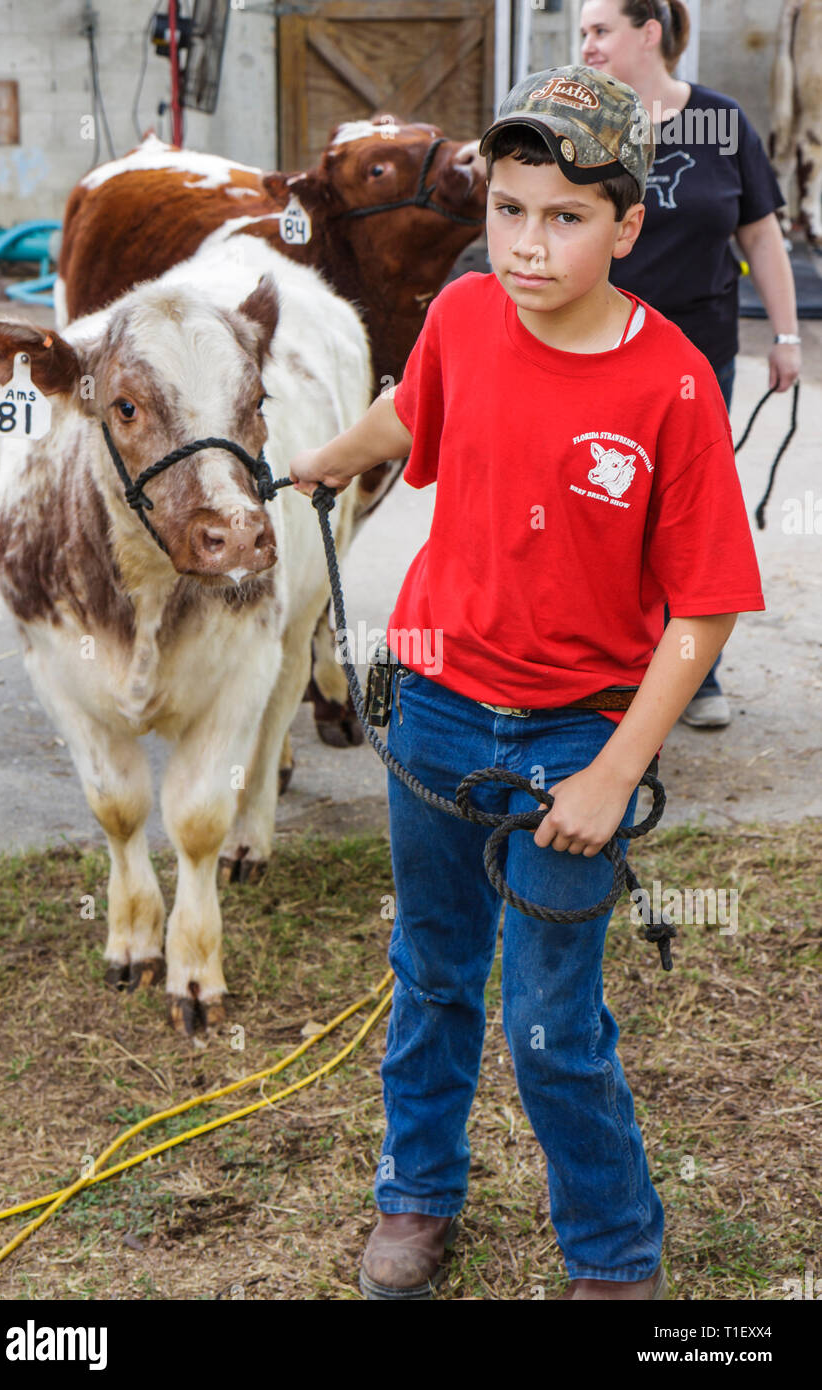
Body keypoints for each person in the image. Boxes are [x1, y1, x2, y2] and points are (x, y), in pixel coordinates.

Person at [289, 65, 765, 1301]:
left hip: (578, 737)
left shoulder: (668, 386)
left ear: (625, 227)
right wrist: (323, 458)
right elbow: (416, 408)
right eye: (507, 209)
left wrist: (614, 772)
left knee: (549, 1025)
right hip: (437, 703)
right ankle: (415, 1194)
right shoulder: (457, 315)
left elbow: (704, 605)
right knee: (432, 973)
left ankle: (612, 1252)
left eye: (563, 217)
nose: (526, 244)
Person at [581, 0, 800, 728]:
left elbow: (762, 236)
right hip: (594, 352)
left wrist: (787, 335)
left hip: (698, 357)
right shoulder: (585, 121)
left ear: (650, 34)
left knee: (686, 512)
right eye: (584, 32)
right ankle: (601, 666)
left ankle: (693, 673)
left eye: (600, 30)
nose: (588, 45)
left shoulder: (722, 123)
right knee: (601, 504)